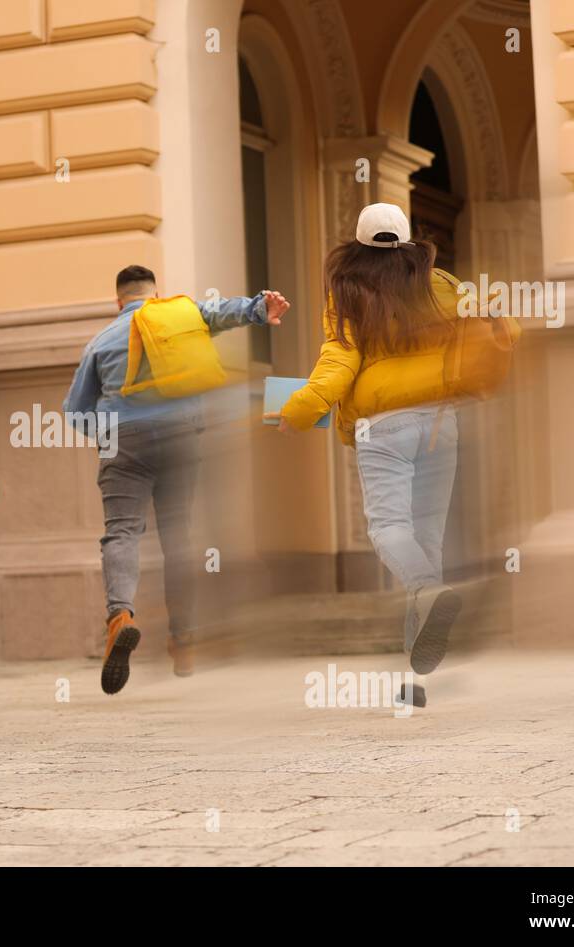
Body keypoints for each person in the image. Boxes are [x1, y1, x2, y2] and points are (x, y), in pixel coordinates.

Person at [269, 202, 491, 675]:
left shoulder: (349, 291)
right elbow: (489, 325)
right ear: (409, 238)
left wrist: (298, 412)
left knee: (388, 527)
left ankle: (431, 596)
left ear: (359, 243)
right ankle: (420, 657)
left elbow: (338, 365)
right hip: (439, 421)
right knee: (427, 538)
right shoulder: (441, 284)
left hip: (382, 424)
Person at [64, 265, 289, 694]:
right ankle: (183, 639)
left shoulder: (101, 341)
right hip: (182, 435)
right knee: (179, 538)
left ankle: (120, 617)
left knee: (122, 532)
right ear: (154, 295)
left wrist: (107, 432)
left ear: (119, 301)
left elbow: (74, 410)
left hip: (123, 441)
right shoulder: (182, 316)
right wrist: (261, 308)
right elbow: (221, 312)